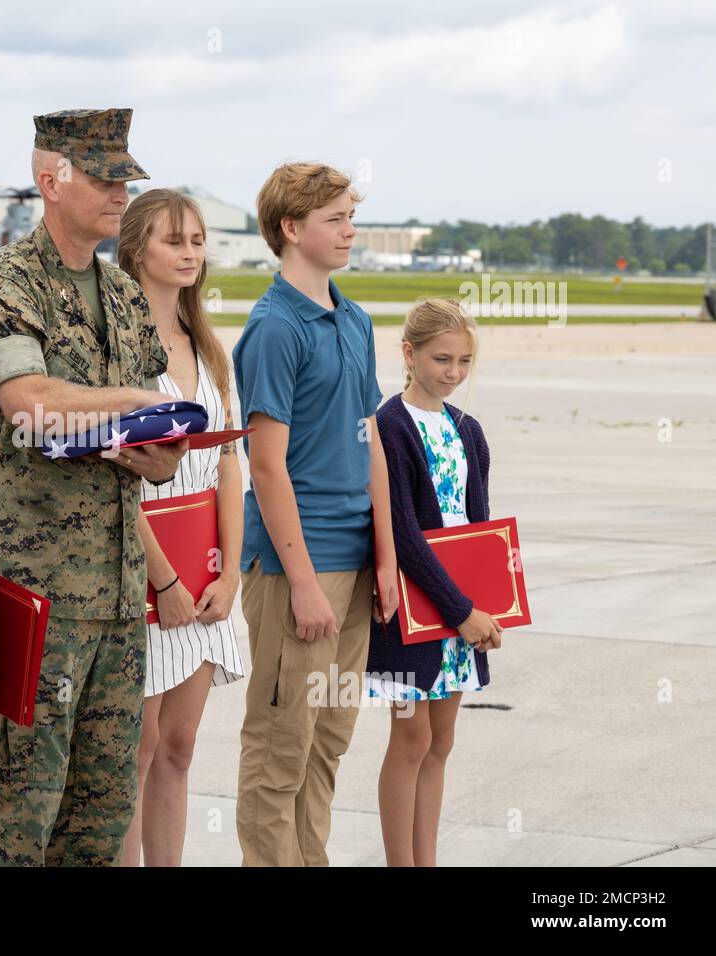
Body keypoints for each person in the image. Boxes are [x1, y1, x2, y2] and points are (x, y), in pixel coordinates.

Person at [0, 108, 188, 866]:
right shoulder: (4, 286)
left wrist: (151, 445)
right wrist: (130, 411)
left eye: (126, 176)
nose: (122, 191)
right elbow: (28, 405)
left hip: (118, 604)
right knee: (15, 812)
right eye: (104, 176)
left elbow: (163, 444)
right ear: (50, 180)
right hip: (36, 593)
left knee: (98, 810)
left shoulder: (120, 293)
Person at [232, 161, 398, 867]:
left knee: (329, 739)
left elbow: (373, 443)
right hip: (295, 565)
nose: (351, 231)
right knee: (281, 744)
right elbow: (266, 464)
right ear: (292, 229)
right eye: (336, 219)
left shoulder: (353, 317)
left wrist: (388, 556)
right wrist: (301, 582)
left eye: (350, 216)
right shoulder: (273, 328)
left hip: (358, 564)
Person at [116, 189, 245, 867]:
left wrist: (230, 575)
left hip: (207, 572)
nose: (191, 252)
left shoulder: (207, 346)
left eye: (197, 240)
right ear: (137, 251)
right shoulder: (119, 348)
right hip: (148, 571)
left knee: (180, 747)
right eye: (175, 240)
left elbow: (231, 463)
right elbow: (117, 481)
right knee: (136, 750)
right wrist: (162, 579)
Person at [366, 296, 501, 867]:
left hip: (460, 610)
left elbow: (478, 526)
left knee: (441, 742)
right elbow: (403, 531)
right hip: (414, 608)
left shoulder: (468, 430)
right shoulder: (388, 426)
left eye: (463, 361)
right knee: (411, 739)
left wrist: (487, 607)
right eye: (441, 358)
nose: (453, 372)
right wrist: (459, 608)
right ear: (409, 354)